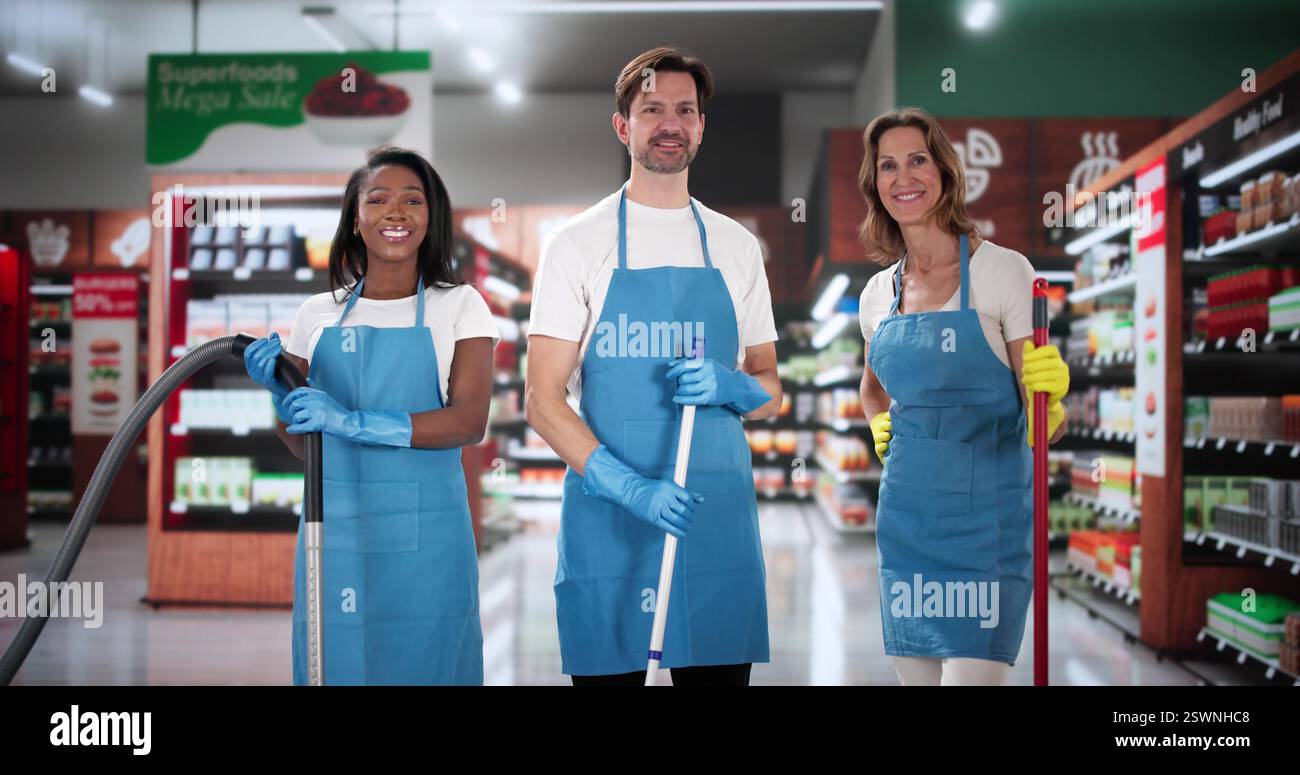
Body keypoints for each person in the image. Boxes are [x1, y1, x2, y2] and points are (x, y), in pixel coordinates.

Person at [525, 47, 782, 686]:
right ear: (624, 126)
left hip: (712, 514)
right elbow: (543, 400)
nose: (670, 123)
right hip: (608, 514)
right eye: (652, 109)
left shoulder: (736, 245)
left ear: (701, 126)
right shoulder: (576, 245)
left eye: (685, 110)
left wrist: (735, 386)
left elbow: (771, 388)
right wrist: (632, 488)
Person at [241, 146, 499, 685]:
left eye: (413, 199)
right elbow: (300, 438)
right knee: (336, 661)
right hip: (334, 529)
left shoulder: (461, 304)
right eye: (377, 199)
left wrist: (353, 422)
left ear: (432, 217)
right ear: (356, 219)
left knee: (427, 660)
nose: (396, 212)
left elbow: (468, 422)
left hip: (428, 537)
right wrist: (277, 393)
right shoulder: (318, 313)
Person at [856, 107, 1071, 686]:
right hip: (906, 524)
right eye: (888, 166)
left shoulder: (1004, 272)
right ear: (875, 184)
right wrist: (878, 422)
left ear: (945, 173)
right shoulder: (878, 295)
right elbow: (873, 388)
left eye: (918, 160)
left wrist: (1053, 398)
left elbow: (1042, 420)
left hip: (987, 530)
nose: (905, 177)